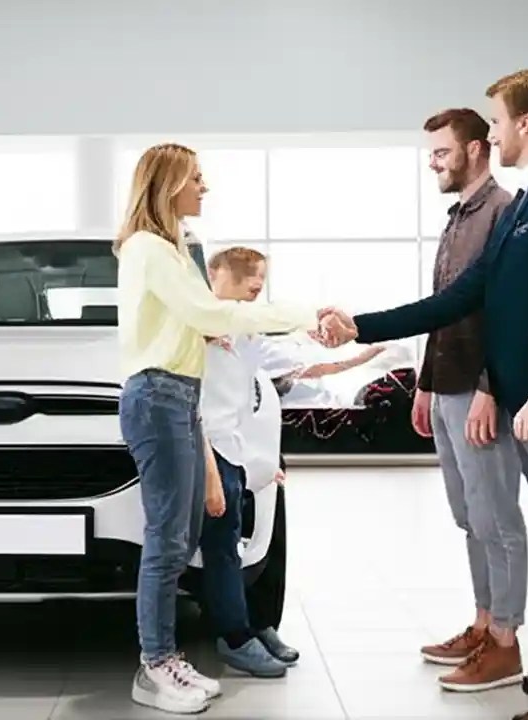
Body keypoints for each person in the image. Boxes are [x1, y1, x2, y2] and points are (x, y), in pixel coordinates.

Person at [319, 70, 528, 720]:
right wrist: (361, 326)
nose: (489, 131)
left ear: (525, 122)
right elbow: (461, 297)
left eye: (496, 118)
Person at [114, 143, 324, 715]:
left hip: (178, 397)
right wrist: (304, 316)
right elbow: (208, 315)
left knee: (179, 543)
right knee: (165, 544)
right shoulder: (148, 248)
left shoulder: (175, 251)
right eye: (196, 179)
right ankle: (154, 665)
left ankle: (164, 659)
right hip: (157, 395)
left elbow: (204, 323)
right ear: (168, 183)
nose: (204, 188)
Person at [411, 108, 528, 694]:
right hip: (447, 385)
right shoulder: (458, 215)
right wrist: (426, 380)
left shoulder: (504, 212)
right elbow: (445, 306)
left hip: (483, 393)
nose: (433, 162)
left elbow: (508, 311)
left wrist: (490, 387)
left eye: (441, 152)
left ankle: (506, 641)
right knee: (468, 516)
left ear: (476, 149)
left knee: (497, 517)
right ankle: (483, 622)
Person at [197, 246, 299, 678]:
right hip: (202, 448)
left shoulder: (247, 330)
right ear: (213, 275)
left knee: (243, 542)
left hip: (235, 447)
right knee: (215, 547)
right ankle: (233, 636)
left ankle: (255, 626)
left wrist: (369, 345)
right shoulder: (193, 323)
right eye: (247, 276)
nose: (256, 284)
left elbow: (295, 363)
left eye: (259, 278)